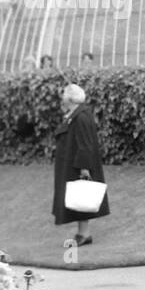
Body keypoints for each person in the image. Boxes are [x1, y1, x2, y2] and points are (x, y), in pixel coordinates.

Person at [52, 83, 109, 246]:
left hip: (79, 166)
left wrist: (84, 168)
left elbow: (85, 144)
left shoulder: (81, 116)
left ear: (70, 98)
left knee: (81, 199)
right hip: (73, 164)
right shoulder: (75, 114)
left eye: (64, 94)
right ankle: (82, 233)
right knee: (77, 200)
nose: (62, 98)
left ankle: (85, 234)